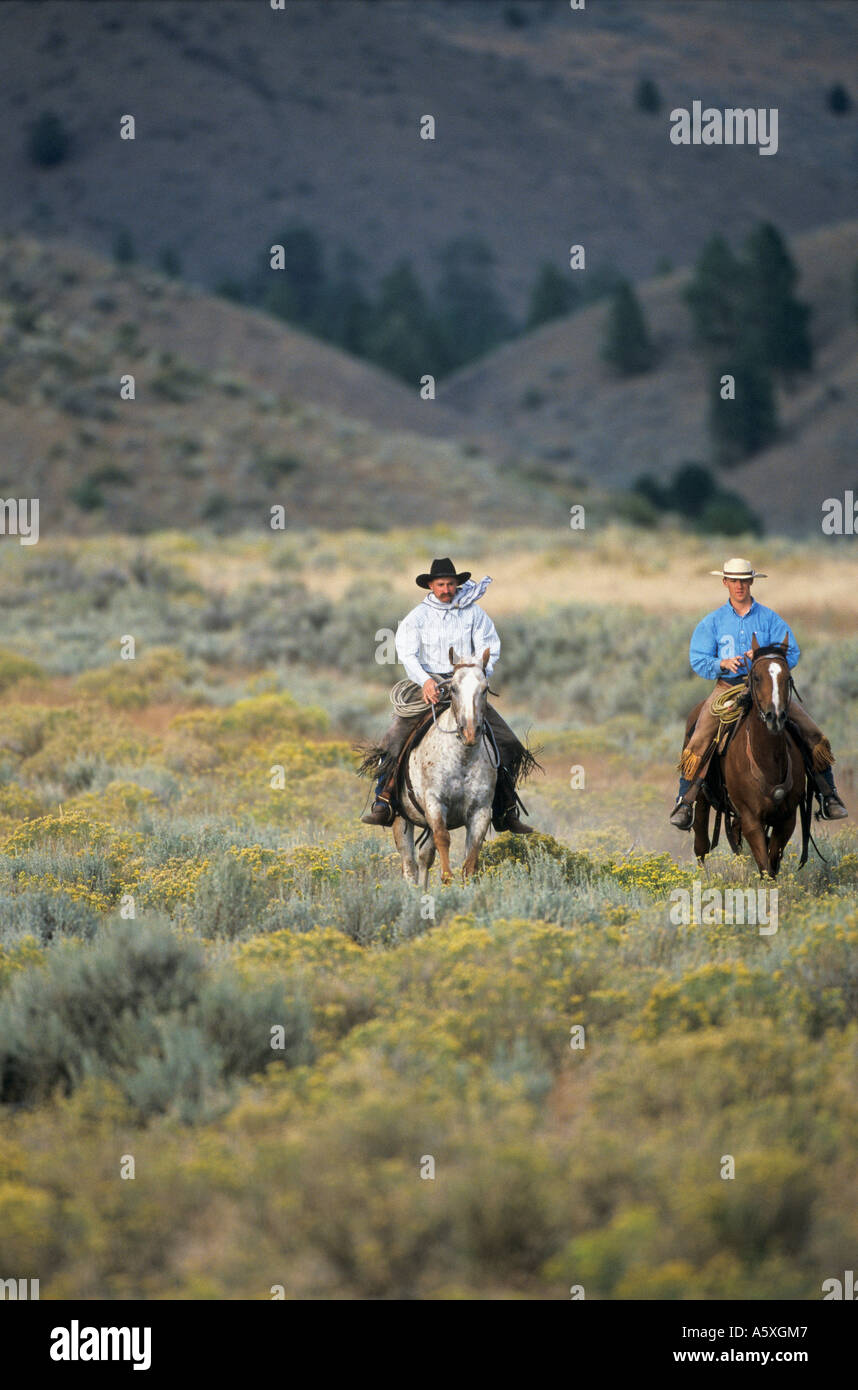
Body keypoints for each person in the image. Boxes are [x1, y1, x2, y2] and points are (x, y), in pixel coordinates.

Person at [359, 557, 539, 832]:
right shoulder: (417, 617)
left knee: (508, 743)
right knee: (392, 739)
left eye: (451, 584)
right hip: (430, 684)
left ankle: (505, 809)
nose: (446, 589)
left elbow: (490, 646)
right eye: (441, 584)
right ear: (430, 585)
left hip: (466, 684)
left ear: (458, 584)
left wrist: (478, 674)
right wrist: (425, 681)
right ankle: (384, 800)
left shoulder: (474, 613)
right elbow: (407, 652)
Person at [670, 557, 848, 830]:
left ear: (751, 581)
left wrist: (765, 656)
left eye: (744, 580)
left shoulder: (770, 619)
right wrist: (722, 663)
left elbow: (793, 652)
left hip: (767, 689)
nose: (739, 586)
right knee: (701, 735)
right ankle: (686, 801)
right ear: (725, 583)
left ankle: (829, 795)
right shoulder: (712, 622)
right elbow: (698, 658)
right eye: (733, 581)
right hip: (727, 687)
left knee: (812, 732)